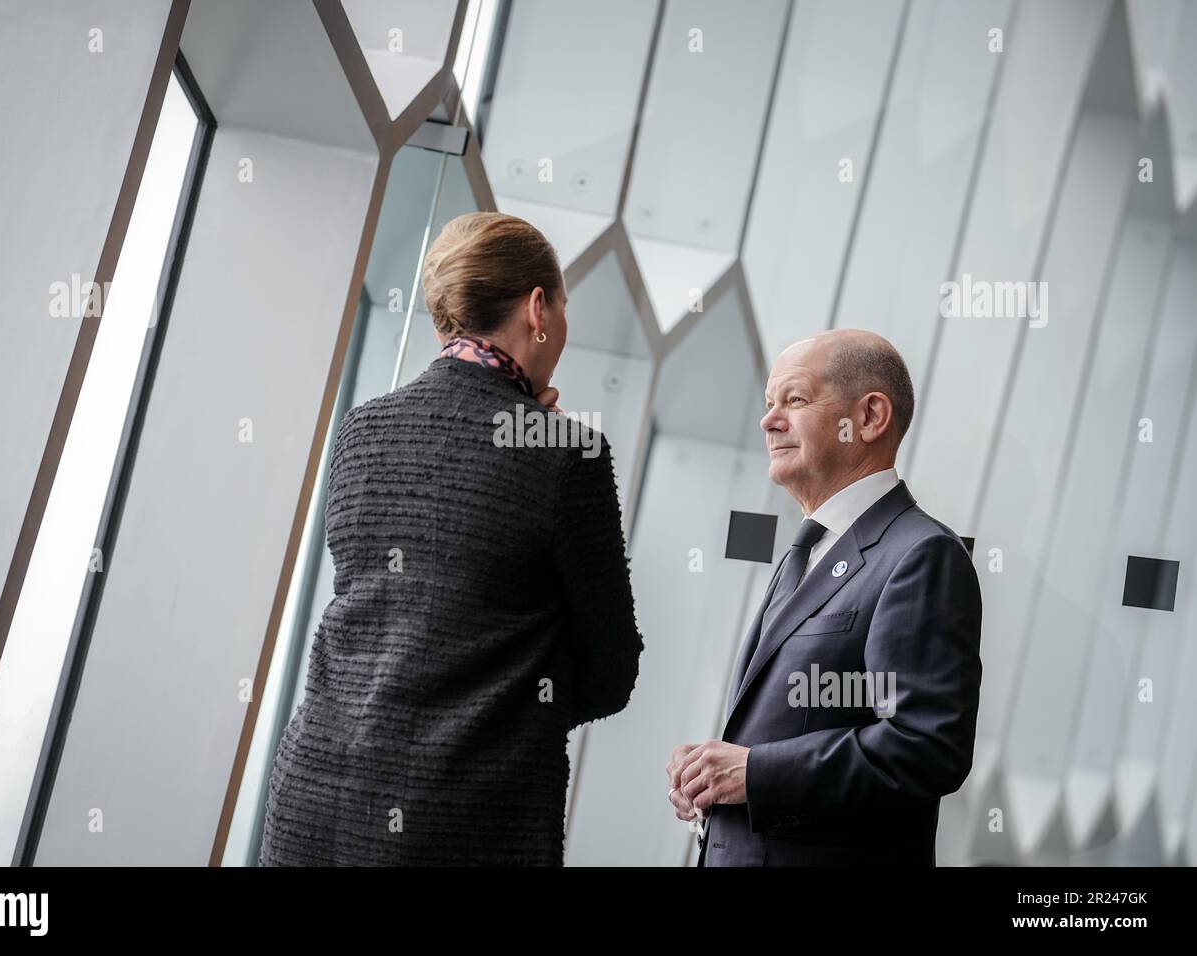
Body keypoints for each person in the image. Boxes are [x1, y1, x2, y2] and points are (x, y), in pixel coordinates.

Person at [259, 211, 643, 865]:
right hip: (459, 820)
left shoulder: (362, 429)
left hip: (312, 802)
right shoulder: (567, 454)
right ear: (537, 307)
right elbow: (610, 673)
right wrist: (509, 703)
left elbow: (396, 618)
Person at [667, 329, 982, 866]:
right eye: (769, 405)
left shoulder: (922, 555)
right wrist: (711, 773)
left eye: (794, 399)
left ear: (869, 418)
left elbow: (926, 747)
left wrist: (755, 772)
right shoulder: (809, 550)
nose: (769, 421)